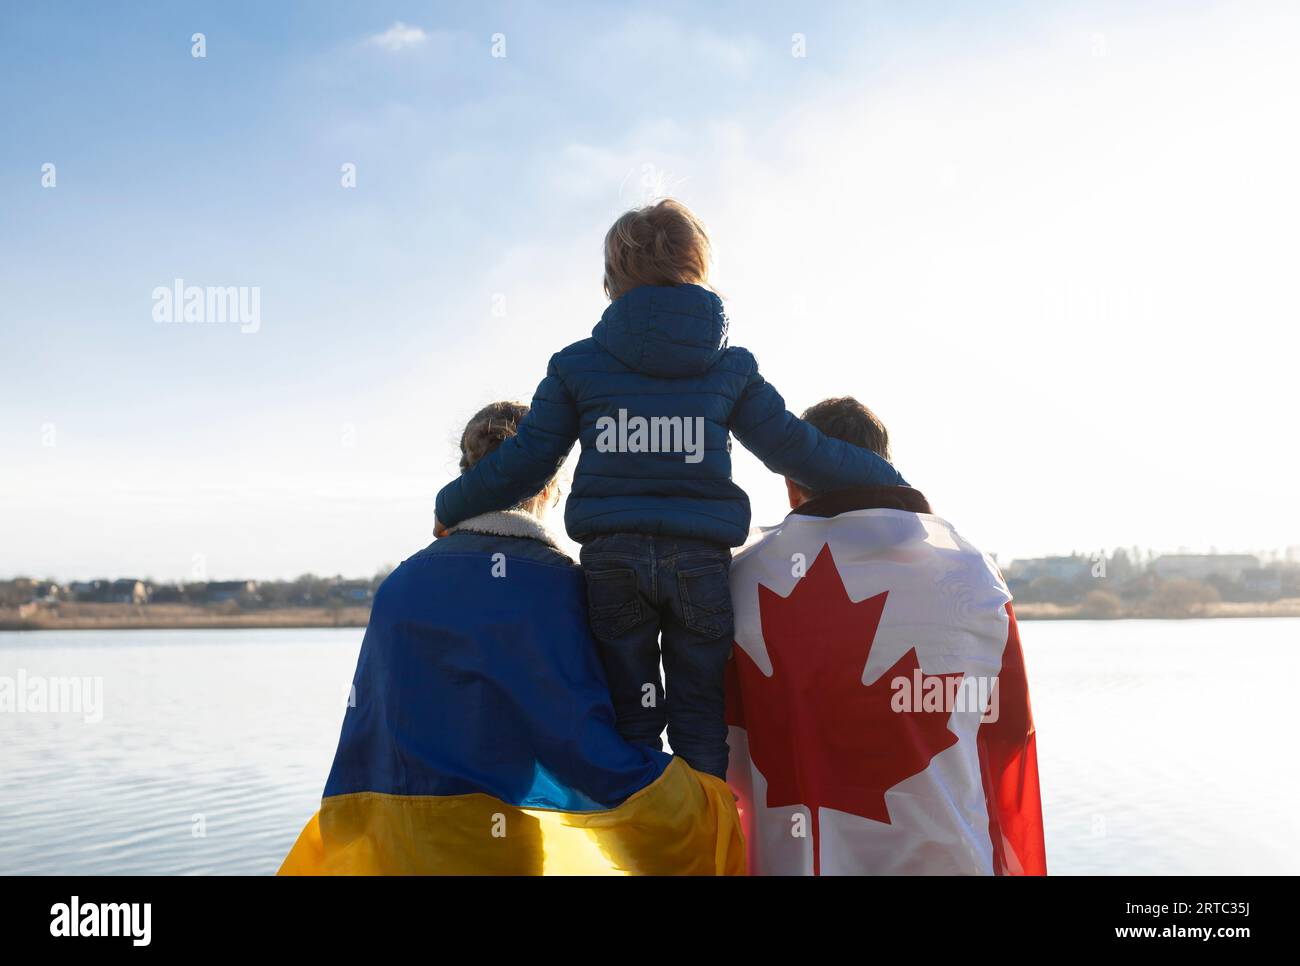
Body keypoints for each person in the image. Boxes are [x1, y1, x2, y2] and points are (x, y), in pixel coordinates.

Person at [433, 199, 906, 779]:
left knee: (630, 720)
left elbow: (527, 463)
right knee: (700, 719)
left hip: (613, 564)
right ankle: (705, 850)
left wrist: (450, 506)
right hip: (700, 566)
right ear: (698, 267)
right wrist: (894, 485)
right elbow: (797, 450)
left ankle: (640, 849)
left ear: (612, 279)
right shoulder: (730, 368)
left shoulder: (577, 366)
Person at [280, 401, 745, 875]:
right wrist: (695, 802)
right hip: (493, 852)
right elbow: (581, 744)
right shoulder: (558, 586)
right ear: (549, 484)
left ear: (468, 476)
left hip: (386, 852)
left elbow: (366, 745)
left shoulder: (399, 586)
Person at [725, 397, 1047, 875]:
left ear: (792, 484)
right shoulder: (975, 579)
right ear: (885, 467)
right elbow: (1008, 750)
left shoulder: (742, 579)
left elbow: (719, 753)